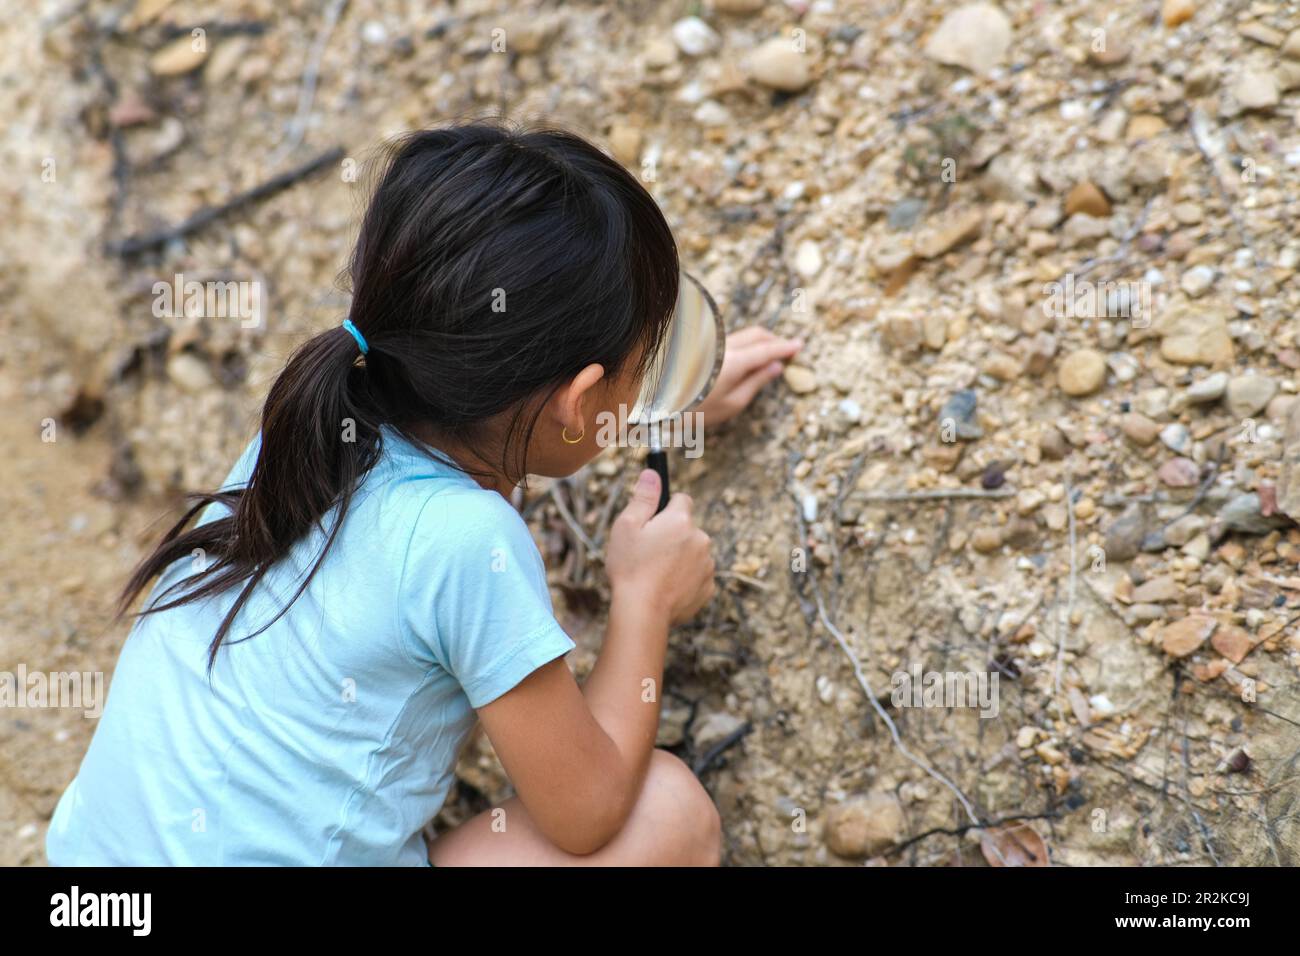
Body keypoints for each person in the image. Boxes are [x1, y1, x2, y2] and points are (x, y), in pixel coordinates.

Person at [45, 122, 801, 866]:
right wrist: (646, 598)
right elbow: (588, 811)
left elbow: (491, 456)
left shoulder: (308, 427)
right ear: (579, 401)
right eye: (641, 371)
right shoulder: (470, 544)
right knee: (669, 813)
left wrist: (648, 408)